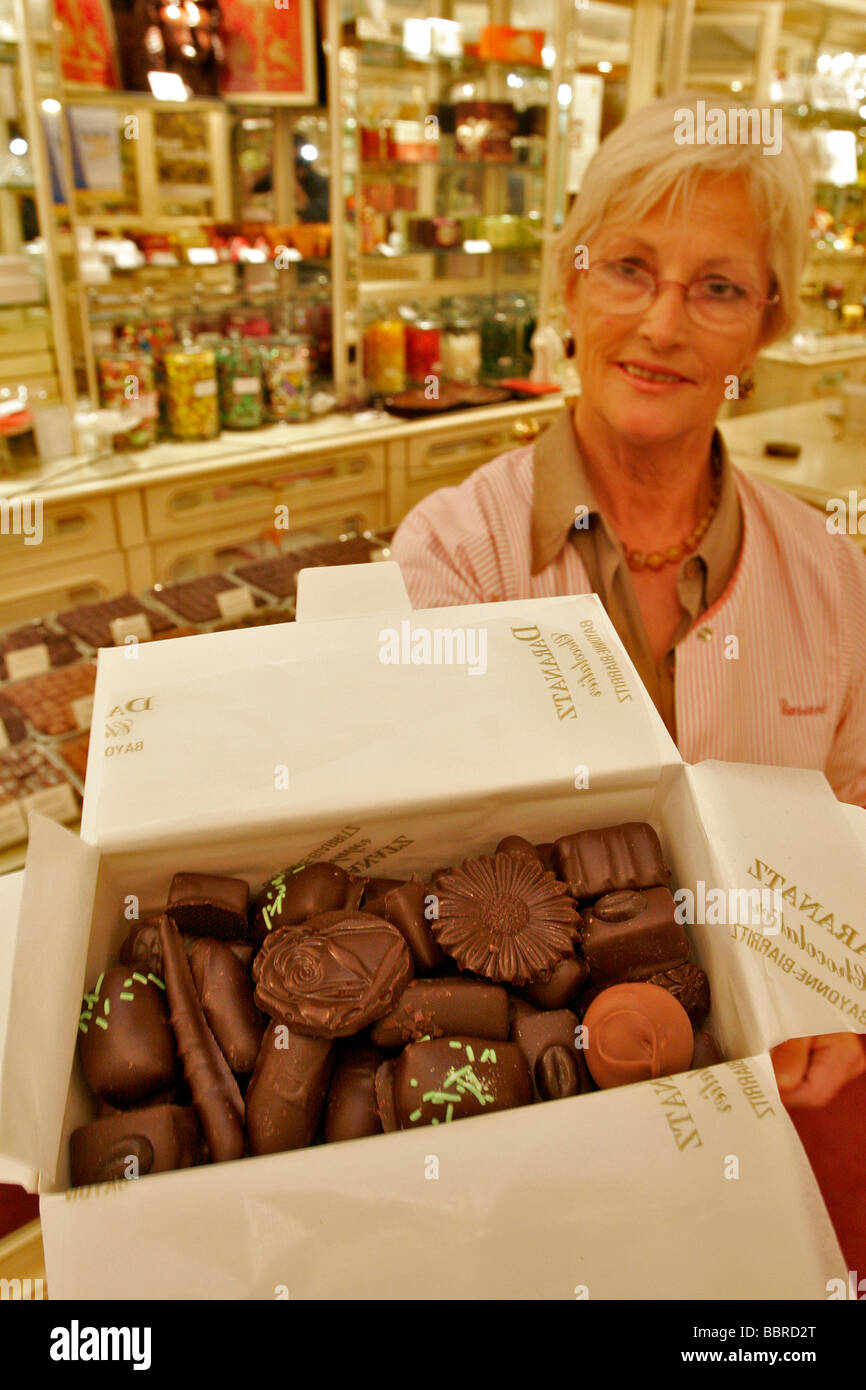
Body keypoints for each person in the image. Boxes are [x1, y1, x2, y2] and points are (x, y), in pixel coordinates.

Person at [390, 93, 866, 1118]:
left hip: (765, 1097)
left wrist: (840, 984)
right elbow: (412, 883)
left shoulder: (827, 570)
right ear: (569, 281)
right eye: (628, 269)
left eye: (716, 287)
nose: (659, 323)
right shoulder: (449, 558)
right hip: (513, 1112)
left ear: (765, 325)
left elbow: (853, 808)